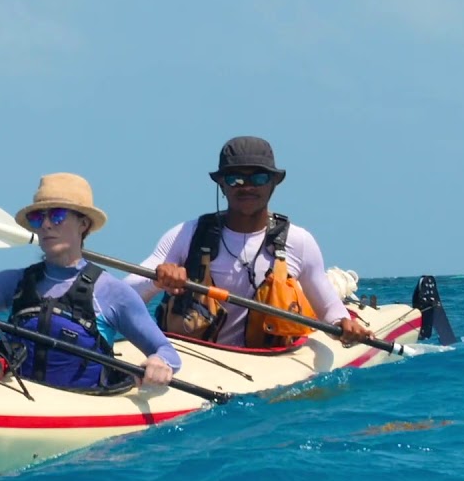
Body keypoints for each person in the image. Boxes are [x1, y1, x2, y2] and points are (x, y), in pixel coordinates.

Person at [124, 136, 373, 349]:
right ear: (222, 184)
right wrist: (157, 279)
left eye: (259, 178)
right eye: (235, 179)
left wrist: (343, 325)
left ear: (274, 183)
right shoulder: (187, 235)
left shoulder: (299, 242)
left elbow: (330, 312)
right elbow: (123, 295)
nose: (247, 187)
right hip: (196, 360)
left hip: (269, 366)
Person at [0, 173, 179, 391]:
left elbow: (169, 353)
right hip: (19, 396)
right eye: (37, 217)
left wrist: (160, 362)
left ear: (83, 224)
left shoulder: (113, 293)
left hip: (84, 404)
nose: (45, 224)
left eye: (57, 215)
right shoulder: (15, 282)